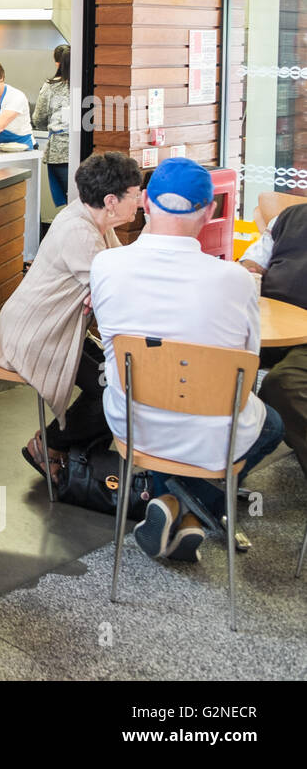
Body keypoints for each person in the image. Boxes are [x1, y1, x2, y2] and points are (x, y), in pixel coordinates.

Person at [90, 158, 285, 563]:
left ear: (144, 201)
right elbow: (246, 371)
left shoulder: (106, 265)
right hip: (211, 433)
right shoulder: (235, 281)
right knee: (271, 423)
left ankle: (175, 509)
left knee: (164, 406)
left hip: (133, 422)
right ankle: (189, 509)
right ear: (210, 210)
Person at [0, 152, 142, 480]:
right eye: (135, 194)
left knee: (118, 380)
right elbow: (116, 295)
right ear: (111, 200)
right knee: (112, 390)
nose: (141, 201)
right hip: (34, 336)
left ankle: (73, 456)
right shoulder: (81, 232)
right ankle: (48, 446)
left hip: (50, 329)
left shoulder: (93, 222)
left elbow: (115, 277)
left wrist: (100, 289)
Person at [240, 200, 307, 476]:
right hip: (269, 323)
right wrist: (251, 271)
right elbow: (251, 262)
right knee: (214, 355)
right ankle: (194, 469)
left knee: (282, 384)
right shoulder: (289, 217)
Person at [33, 44, 72, 206]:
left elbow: (39, 119)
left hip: (59, 152)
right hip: (85, 152)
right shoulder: (89, 81)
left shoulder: (51, 87)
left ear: (58, 64)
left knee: (69, 202)